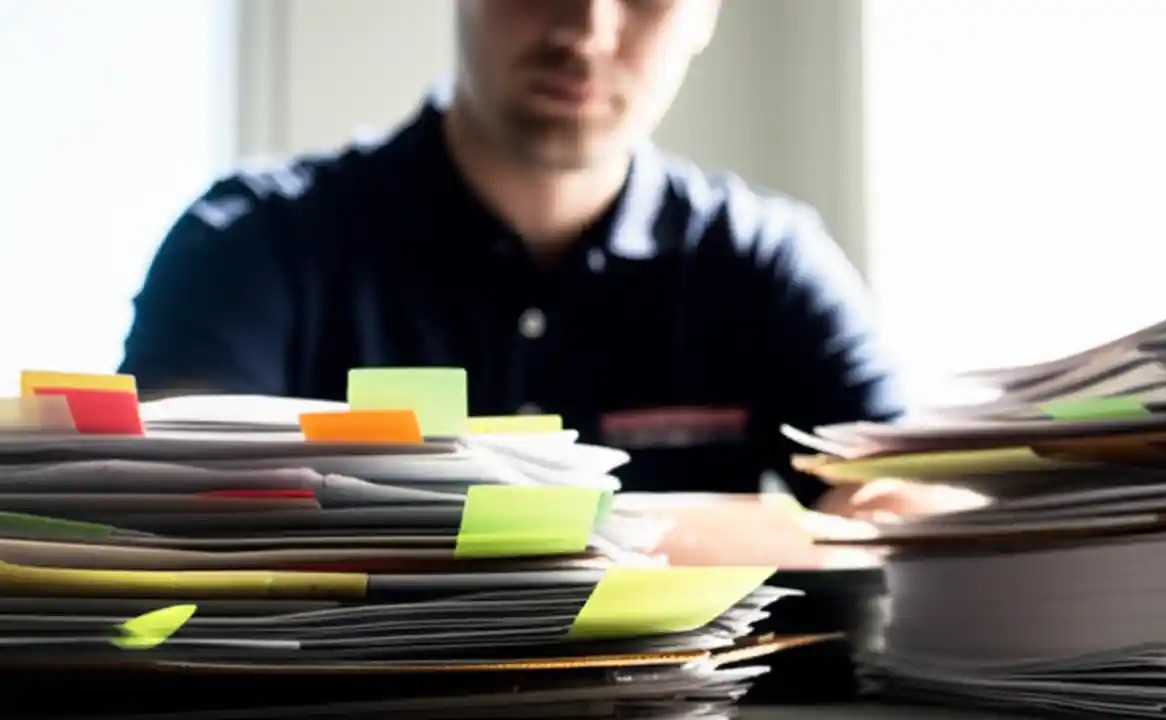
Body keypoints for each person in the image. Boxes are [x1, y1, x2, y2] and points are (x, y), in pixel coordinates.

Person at [120, 0, 904, 508]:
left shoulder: (766, 261)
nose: (586, 32)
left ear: (706, 16)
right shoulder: (251, 244)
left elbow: (899, 503)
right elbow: (157, 506)